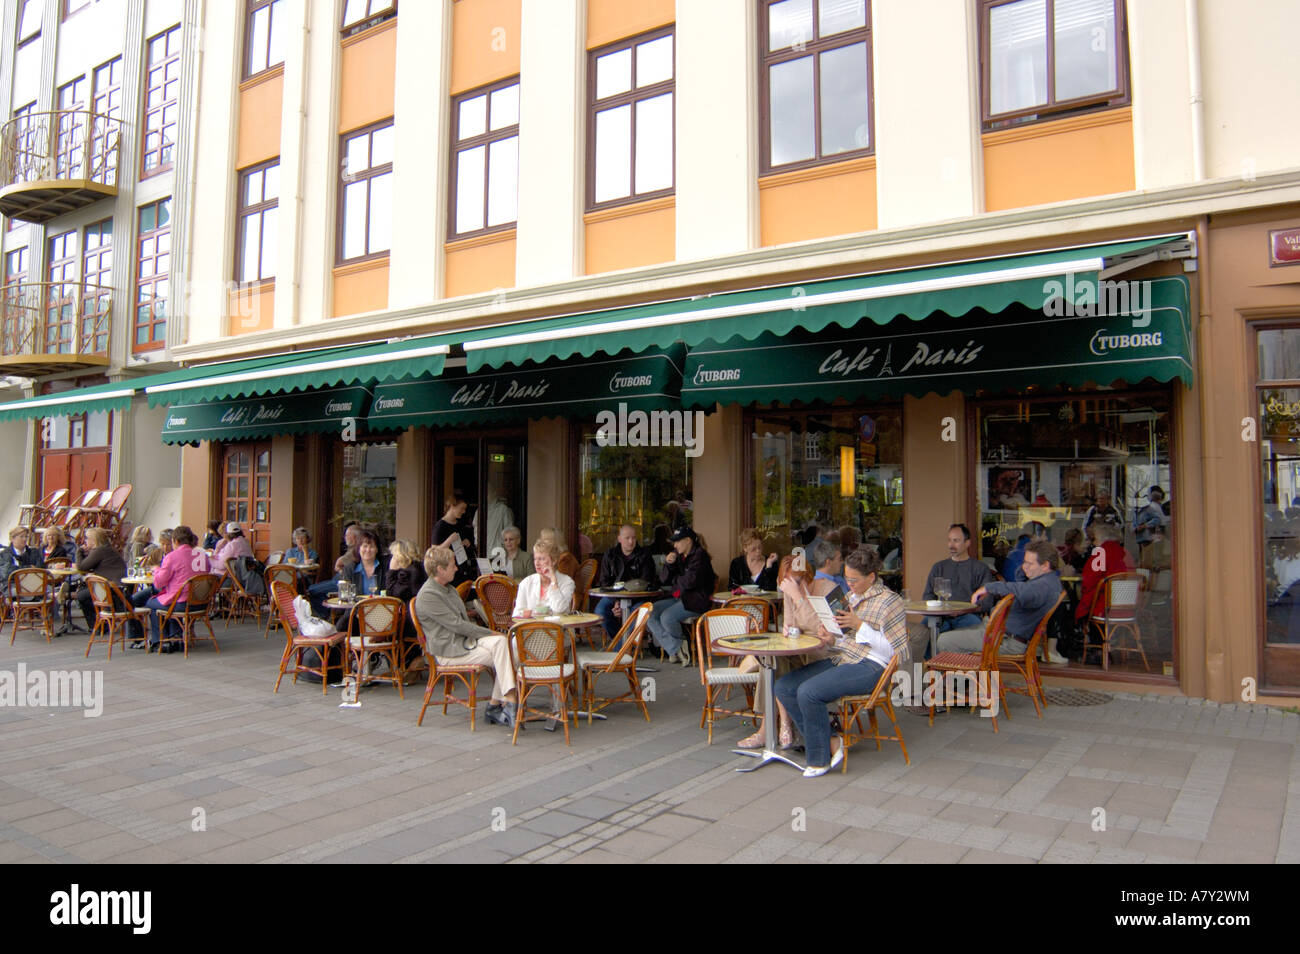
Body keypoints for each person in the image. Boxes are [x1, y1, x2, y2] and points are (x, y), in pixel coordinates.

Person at [776, 547, 909, 777]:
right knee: (784, 686)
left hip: (873, 665)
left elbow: (896, 650)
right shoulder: (850, 598)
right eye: (847, 579)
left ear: (871, 577)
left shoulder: (890, 601)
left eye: (854, 580)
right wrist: (830, 638)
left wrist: (860, 625)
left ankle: (820, 759)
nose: (849, 585)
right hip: (845, 656)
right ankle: (831, 741)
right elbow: (844, 639)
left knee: (809, 692)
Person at [416, 545, 518, 727]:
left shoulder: (448, 589)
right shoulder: (429, 595)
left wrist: (489, 634)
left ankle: (498, 705)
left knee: (509, 647)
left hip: (464, 643)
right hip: (448, 651)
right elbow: (457, 625)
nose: (456, 568)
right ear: (440, 569)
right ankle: (507, 703)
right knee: (507, 651)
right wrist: (490, 633)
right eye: (452, 565)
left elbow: (463, 622)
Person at [938, 540, 1064, 660]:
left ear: (1045, 565)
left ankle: (963, 681)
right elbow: (1021, 581)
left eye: (1029, 563)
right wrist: (1026, 568)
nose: (1025, 567)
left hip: (1004, 639)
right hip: (1000, 633)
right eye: (1024, 562)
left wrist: (989, 588)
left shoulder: (1043, 586)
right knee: (955, 630)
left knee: (944, 640)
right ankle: (970, 678)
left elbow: (1022, 590)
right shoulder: (1047, 581)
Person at [646, 527, 713, 666]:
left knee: (667, 617)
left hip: (696, 600)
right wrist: (669, 564)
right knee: (649, 613)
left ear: (688, 541)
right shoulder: (679, 555)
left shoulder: (700, 556)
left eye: (677, 542)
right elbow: (664, 579)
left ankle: (676, 650)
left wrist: (676, 580)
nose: (675, 545)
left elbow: (689, 582)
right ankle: (676, 648)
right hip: (680, 597)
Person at [146, 525, 210, 653]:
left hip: (181, 603)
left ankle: (160, 641)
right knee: (169, 601)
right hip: (202, 603)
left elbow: (158, 583)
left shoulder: (172, 556)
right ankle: (175, 637)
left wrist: (156, 570)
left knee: (152, 603)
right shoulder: (202, 555)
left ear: (175, 541)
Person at [593, 525, 656, 640]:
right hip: (613, 595)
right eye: (627, 538)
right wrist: (617, 602)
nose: (631, 542)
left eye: (634, 538)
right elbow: (604, 581)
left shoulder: (644, 555)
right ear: (619, 538)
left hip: (637, 597)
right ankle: (622, 643)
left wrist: (624, 604)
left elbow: (646, 582)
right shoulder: (610, 554)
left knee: (636, 614)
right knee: (600, 611)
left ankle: (619, 648)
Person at [1076, 523, 1135, 624]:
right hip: (1129, 608)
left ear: (1102, 539)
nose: (1093, 543)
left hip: (1106, 609)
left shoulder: (1101, 553)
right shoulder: (1125, 553)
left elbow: (1089, 581)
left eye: (1094, 539)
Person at [74, 527, 127, 632]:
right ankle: (102, 623)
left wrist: (79, 551)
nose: (85, 541)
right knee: (86, 593)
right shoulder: (108, 549)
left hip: (111, 590)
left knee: (82, 596)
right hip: (117, 588)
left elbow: (82, 567)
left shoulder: (99, 551)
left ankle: (96, 626)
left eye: (87, 538)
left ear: (94, 540)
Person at [512, 540, 574, 618]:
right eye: (535, 559)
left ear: (554, 561)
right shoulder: (526, 582)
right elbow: (517, 613)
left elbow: (559, 609)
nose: (537, 563)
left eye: (541, 559)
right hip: (531, 628)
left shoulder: (567, 582)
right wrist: (531, 613)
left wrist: (553, 581)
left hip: (558, 628)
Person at [433, 496, 477, 586]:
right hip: (449, 570)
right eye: (461, 508)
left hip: (462, 568)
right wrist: (449, 541)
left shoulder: (460, 524)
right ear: (452, 506)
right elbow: (434, 551)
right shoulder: (440, 526)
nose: (463, 512)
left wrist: (466, 543)